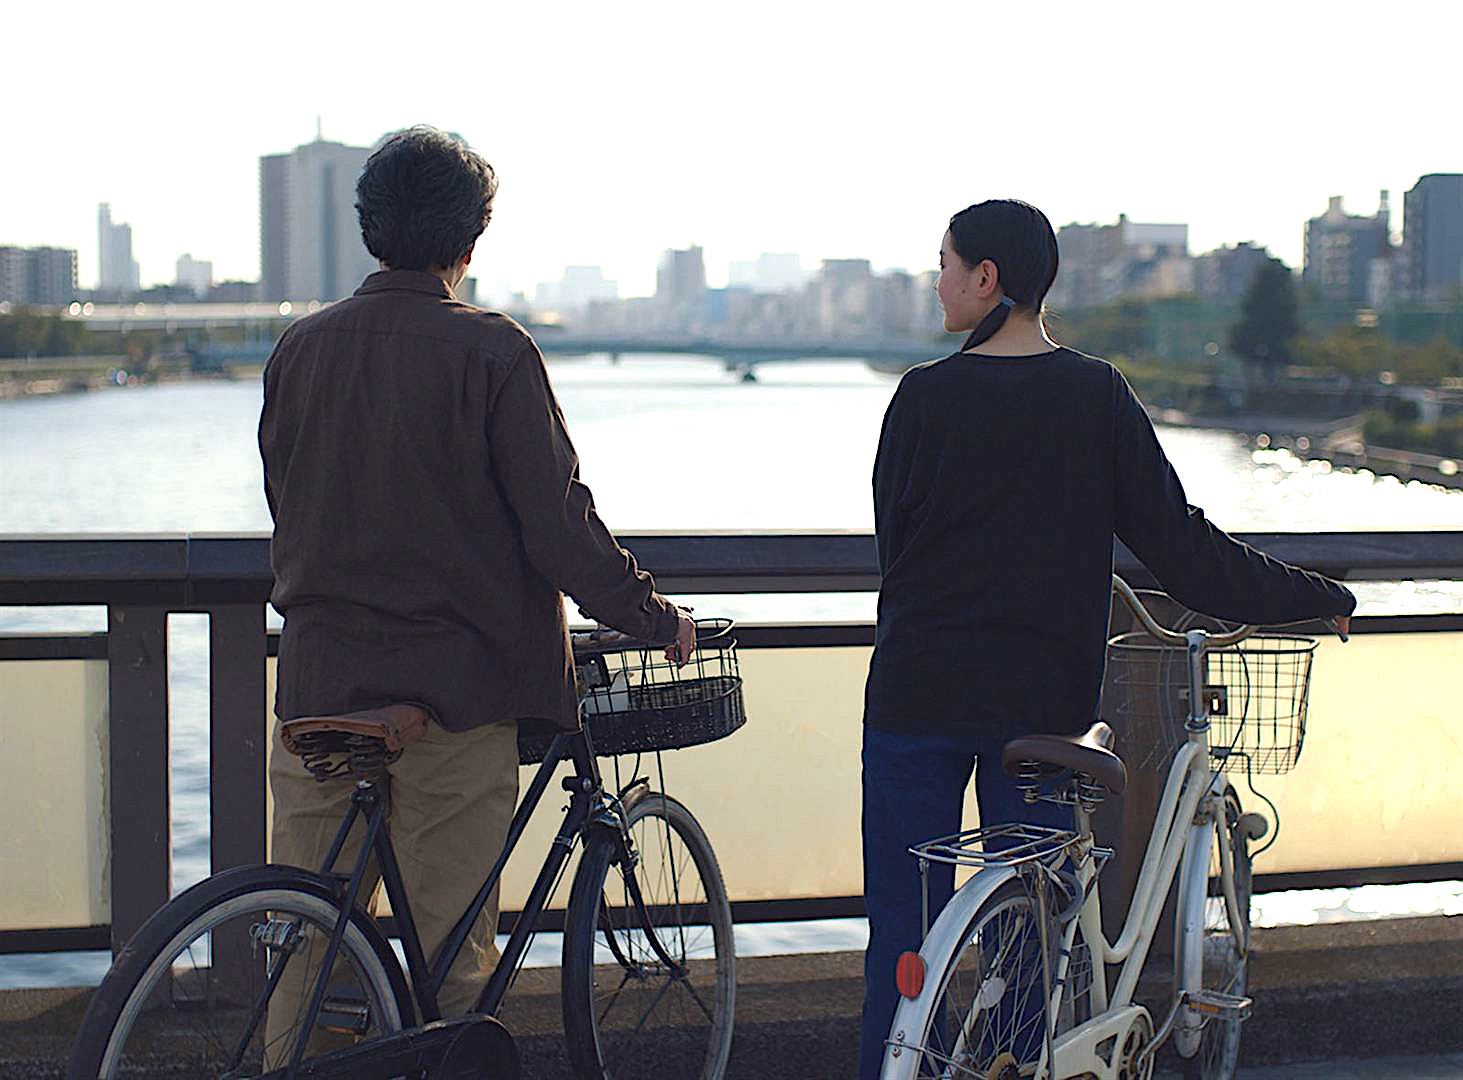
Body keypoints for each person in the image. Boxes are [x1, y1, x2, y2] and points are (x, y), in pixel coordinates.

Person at [857, 198, 1354, 1078]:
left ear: (986, 279)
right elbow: (1185, 553)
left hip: (914, 697)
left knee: (902, 947)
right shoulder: (1096, 396)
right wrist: (1314, 596)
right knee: (1028, 950)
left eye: (945, 263)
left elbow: (896, 553)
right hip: (1036, 713)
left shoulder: (921, 398)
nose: (935, 280)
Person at [258, 126, 695, 1043]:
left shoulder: (300, 348)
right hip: (450, 693)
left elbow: (286, 498)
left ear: (370, 229)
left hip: (320, 683)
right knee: (450, 963)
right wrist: (649, 615)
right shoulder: (493, 352)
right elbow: (557, 525)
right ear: (470, 241)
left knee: (302, 944)